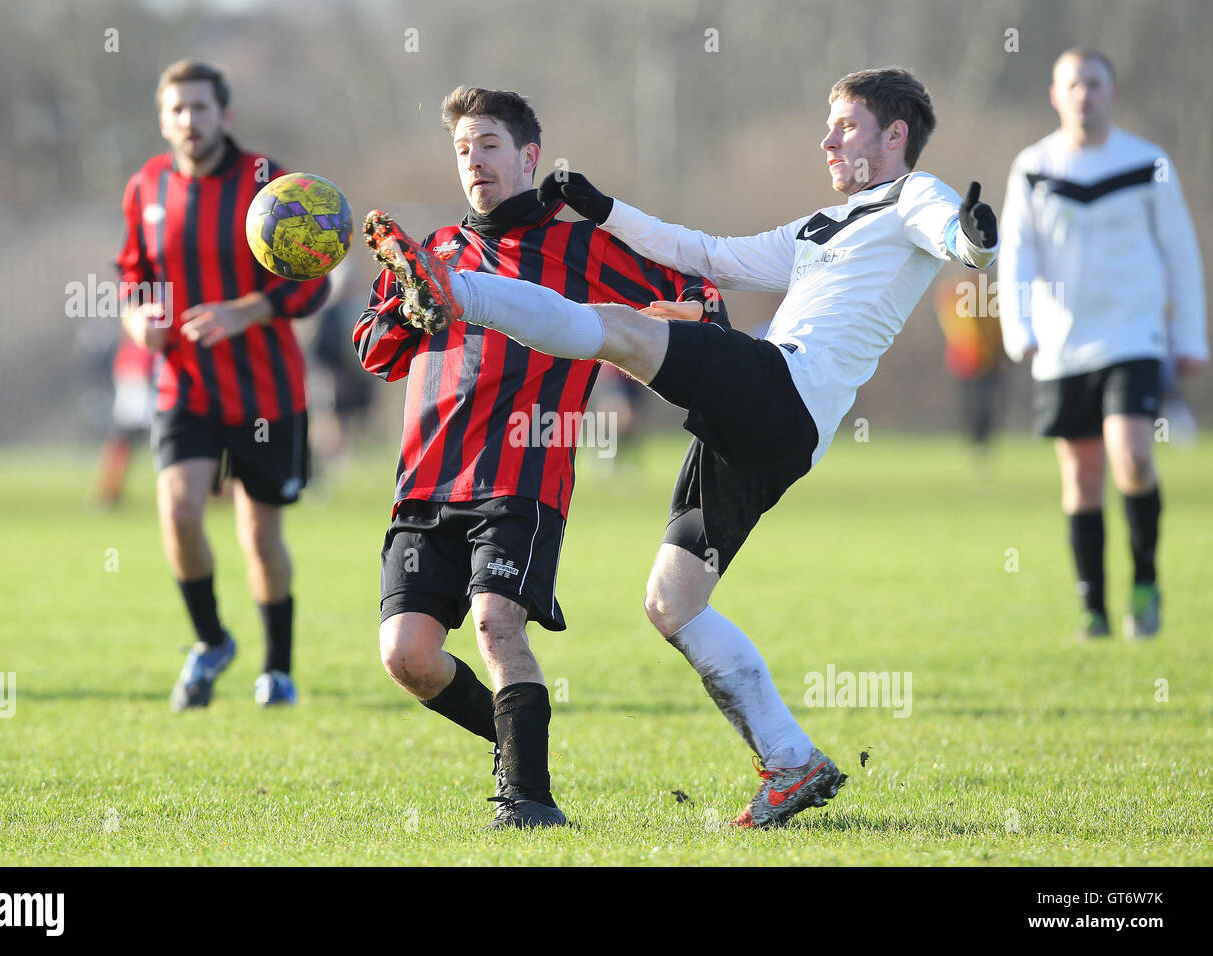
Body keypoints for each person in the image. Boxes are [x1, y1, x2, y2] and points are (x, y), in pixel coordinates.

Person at [364, 67, 999, 828]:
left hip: (781, 386)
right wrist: (606, 209)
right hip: (770, 432)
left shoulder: (915, 196)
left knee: (621, 330)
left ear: (894, 137)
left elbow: (954, 235)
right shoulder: (825, 226)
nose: (828, 139)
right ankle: (791, 761)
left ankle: (454, 290)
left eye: (847, 126)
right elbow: (706, 254)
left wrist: (973, 240)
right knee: (671, 603)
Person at [354, 86, 723, 829]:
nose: (475, 162)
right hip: (427, 480)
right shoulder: (434, 254)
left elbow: (700, 296)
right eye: (463, 150)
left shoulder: (582, 246)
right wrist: (405, 303)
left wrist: (684, 342)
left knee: (496, 621)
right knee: (407, 657)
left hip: (524, 473)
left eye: (489, 145)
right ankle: (520, 742)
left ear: (528, 155)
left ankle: (528, 801)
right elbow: (374, 352)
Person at [117, 60, 329, 710]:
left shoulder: (268, 183)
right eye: (177, 109)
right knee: (178, 511)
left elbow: (312, 277)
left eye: (201, 108)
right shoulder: (146, 186)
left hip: (267, 392)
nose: (190, 121)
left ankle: (278, 670)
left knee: (258, 535)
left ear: (224, 115)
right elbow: (130, 278)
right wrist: (137, 321)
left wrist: (248, 309)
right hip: (184, 386)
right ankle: (210, 642)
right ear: (163, 119)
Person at [997, 48, 1207, 641]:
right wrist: (1020, 327)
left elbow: (1181, 254)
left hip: (1134, 336)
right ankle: (1094, 610)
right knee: (1083, 475)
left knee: (1133, 456)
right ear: (1055, 95)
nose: (1084, 94)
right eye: (1073, 84)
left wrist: (1188, 335)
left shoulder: (1148, 163)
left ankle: (1145, 579)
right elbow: (1017, 253)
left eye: (1094, 83)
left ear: (1112, 92)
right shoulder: (1033, 167)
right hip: (1063, 343)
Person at [934, 266, 1004, 453]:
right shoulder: (955, 291)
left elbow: (996, 323)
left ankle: (982, 440)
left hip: (989, 358)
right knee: (970, 402)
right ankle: (971, 440)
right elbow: (958, 325)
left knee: (986, 402)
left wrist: (996, 347)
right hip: (966, 359)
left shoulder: (992, 292)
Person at [91, 331, 158, 507]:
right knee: (121, 444)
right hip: (140, 390)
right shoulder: (137, 336)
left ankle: (108, 492)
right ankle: (108, 491)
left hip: (142, 387)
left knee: (121, 443)